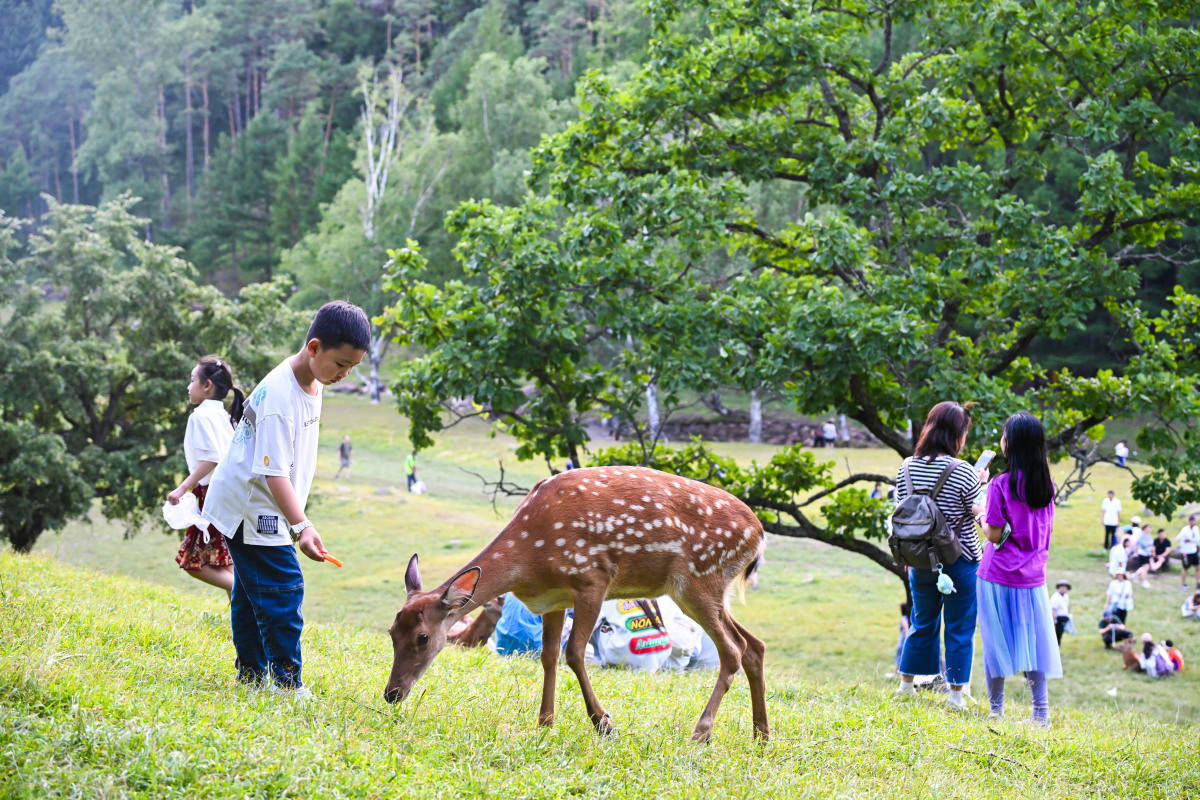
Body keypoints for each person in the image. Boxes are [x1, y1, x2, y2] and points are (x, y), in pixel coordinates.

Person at [201, 300, 370, 698]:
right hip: (251, 505)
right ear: (313, 348)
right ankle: (286, 683)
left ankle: (252, 676)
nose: (344, 375)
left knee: (248, 594)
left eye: (352, 368)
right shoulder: (280, 396)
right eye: (340, 364)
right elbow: (273, 472)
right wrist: (303, 526)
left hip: (261, 500)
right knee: (284, 588)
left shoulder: (312, 378)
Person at [894, 401, 986, 711]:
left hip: (920, 559)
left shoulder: (906, 467)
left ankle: (907, 685)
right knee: (960, 626)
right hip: (961, 560)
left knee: (922, 620)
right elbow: (979, 513)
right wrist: (981, 482)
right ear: (957, 434)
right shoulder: (963, 471)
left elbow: (901, 512)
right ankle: (956, 696)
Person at [976, 411, 1062, 724]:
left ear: (1010, 444)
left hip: (997, 575)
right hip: (1034, 577)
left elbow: (994, 534)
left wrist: (979, 513)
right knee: (1034, 643)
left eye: (1004, 435)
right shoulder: (1047, 486)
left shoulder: (1000, 485)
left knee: (994, 641)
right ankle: (1041, 714)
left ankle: (995, 713)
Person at [168, 357, 245, 601]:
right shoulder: (224, 416)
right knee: (226, 563)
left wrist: (182, 489)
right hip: (229, 493)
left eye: (192, 381)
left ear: (207, 385)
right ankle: (242, 627)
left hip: (210, 495)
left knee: (194, 563)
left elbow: (212, 458)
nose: (188, 387)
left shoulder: (200, 417)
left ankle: (246, 595)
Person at [1179, 515, 1200, 590]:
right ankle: (1183, 584)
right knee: (1186, 568)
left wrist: (1191, 540)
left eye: (1194, 521)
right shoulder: (1185, 530)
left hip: (1193, 551)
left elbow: (1197, 539)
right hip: (1186, 552)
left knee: (1198, 567)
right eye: (1192, 521)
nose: (1193, 523)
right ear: (1189, 522)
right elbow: (1179, 538)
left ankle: (1198, 582)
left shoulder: (1196, 529)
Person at [1049, 581, 1073, 646]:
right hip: (1057, 620)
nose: (1063, 588)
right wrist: (1054, 623)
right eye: (1062, 587)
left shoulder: (1066, 596)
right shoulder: (1055, 597)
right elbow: (1053, 610)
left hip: (1063, 620)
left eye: (1065, 587)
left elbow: (1066, 607)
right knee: (1056, 637)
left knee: (1059, 636)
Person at [892, 602, 912, 676]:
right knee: (900, 658)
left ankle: (896, 674)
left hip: (903, 641)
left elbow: (906, 630)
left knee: (899, 658)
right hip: (903, 641)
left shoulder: (904, 619)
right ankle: (897, 674)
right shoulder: (908, 618)